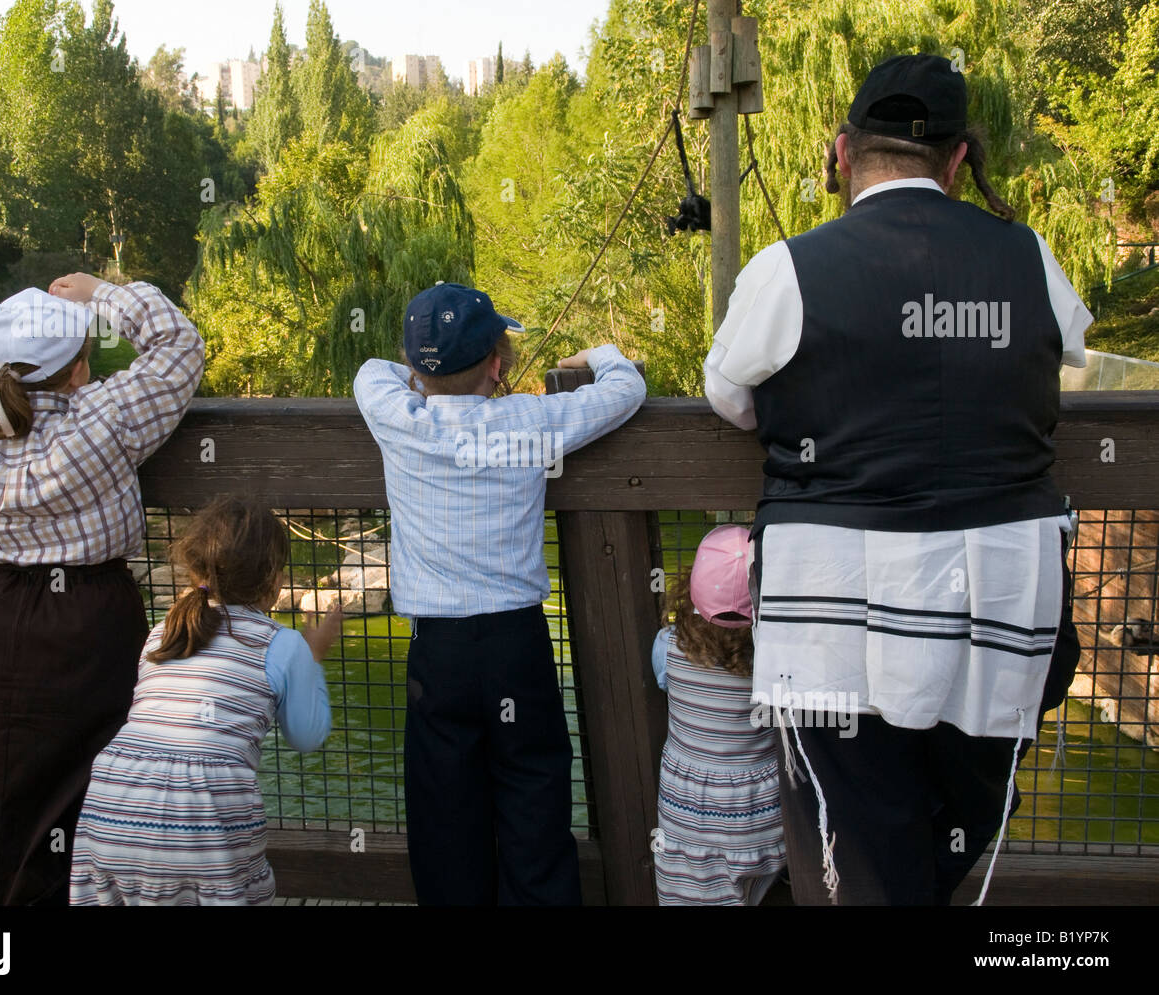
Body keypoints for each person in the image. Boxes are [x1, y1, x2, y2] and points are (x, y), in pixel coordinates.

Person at [702, 54, 1092, 906]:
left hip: (832, 610)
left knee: (862, 841)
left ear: (843, 154)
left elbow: (730, 396)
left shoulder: (788, 266)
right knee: (952, 822)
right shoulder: (1027, 257)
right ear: (957, 162)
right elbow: (1069, 355)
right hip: (999, 606)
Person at [0, 273, 205, 904]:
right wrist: (97, 292)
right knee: (95, 781)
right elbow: (177, 344)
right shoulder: (107, 416)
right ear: (81, 367)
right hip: (92, 618)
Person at [353, 282, 646, 905]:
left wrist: (416, 376)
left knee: (443, 815)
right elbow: (626, 391)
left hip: (438, 655)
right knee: (535, 796)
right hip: (517, 647)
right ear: (498, 363)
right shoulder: (529, 420)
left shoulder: (398, 418)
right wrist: (597, 354)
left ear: (416, 366)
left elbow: (372, 369)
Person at [69, 497, 339, 905]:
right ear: (275, 582)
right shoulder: (282, 644)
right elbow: (307, 735)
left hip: (111, 799)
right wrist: (313, 657)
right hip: (206, 811)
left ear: (197, 572)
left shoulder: (165, 632)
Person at [651, 525, 785, 905]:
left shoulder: (669, 646)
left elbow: (664, 683)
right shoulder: (773, 661)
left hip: (689, 814)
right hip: (758, 813)